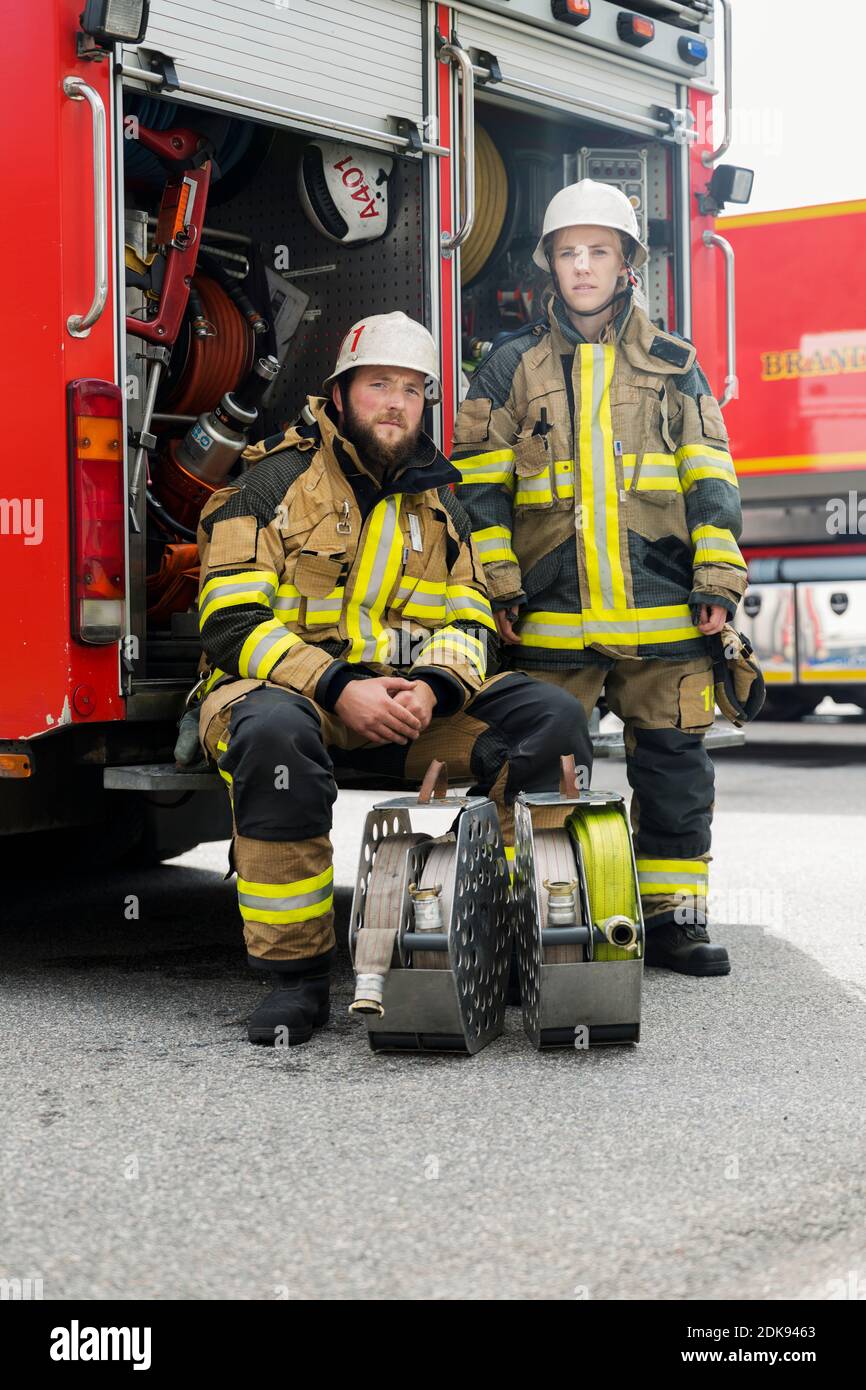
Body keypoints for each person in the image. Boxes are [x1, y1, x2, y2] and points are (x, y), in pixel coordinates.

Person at [195, 311, 592, 1044]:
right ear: (340, 393)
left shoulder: (441, 508)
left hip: (409, 712)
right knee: (274, 736)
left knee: (552, 723)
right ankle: (298, 977)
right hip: (293, 700)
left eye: (413, 390)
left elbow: (473, 622)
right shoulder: (267, 486)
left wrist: (434, 688)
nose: (396, 403)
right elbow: (229, 621)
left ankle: (498, 935)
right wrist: (338, 686)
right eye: (380, 384)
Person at [452, 180, 748, 977]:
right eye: (568, 252)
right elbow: (480, 491)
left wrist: (717, 577)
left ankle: (675, 923)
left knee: (676, 769)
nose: (583, 266)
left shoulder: (676, 367)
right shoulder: (506, 369)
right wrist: (500, 586)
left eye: (600, 252)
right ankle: (535, 916)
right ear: (549, 264)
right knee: (540, 770)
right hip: (549, 616)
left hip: (665, 613)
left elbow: (711, 480)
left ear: (627, 265)